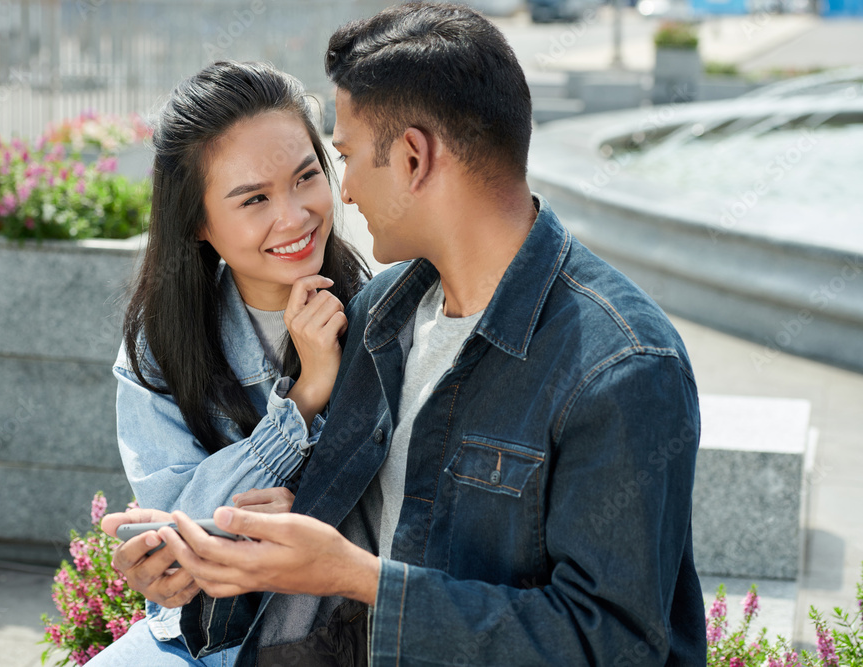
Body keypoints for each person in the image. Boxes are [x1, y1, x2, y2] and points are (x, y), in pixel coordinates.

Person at [105, 3, 707, 665]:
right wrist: (208, 563)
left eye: (344, 159)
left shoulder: (620, 365)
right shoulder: (384, 316)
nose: (343, 193)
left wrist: (357, 577)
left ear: (415, 158)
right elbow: (321, 548)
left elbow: (616, 645)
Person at [87, 61, 370, 665]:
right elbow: (181, 531)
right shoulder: (161, 345)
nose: (293, 216)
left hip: (336, 634)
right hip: (205, 634)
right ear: (197, 221)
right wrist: (305, 397)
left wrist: (310, 515)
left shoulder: (383, 313)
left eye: (305, 177)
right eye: (255, 199)